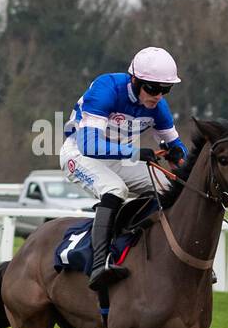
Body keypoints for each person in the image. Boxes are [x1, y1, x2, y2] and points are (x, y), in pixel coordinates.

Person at [61, 47, 187, 290]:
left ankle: (143, 246)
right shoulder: (106, 88)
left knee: (169, 188)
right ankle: (99, 265)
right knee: (115, 188)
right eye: (152, 88)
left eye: (165, 89)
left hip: (118, 159)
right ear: (135, 80)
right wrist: (135, 153)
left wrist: (179, 156)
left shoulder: (159, 107)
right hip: (79, 154)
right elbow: (89, 145)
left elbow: (176, 145)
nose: (158, 95)